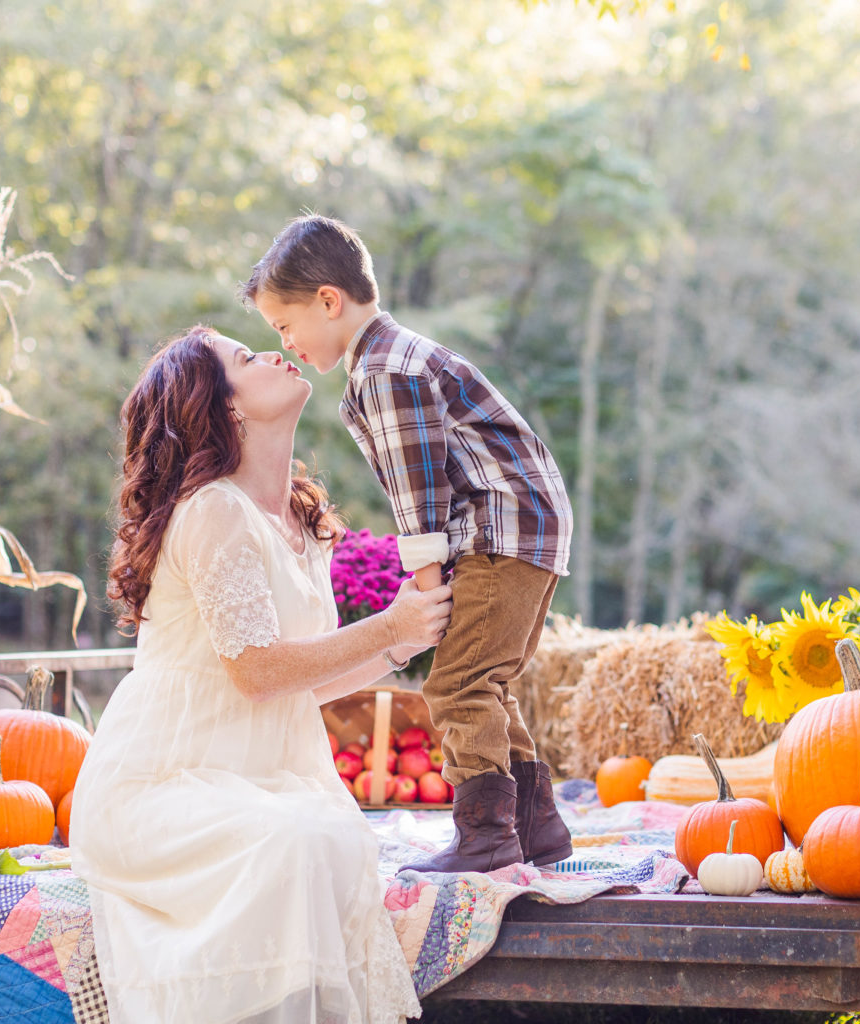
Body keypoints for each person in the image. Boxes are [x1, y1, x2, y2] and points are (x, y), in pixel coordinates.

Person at [72, 325, 449, 1024]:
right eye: (246, 358)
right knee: (299, 844)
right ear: (224, 408)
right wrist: (390, 625)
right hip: (163, 786)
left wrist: (401, 646)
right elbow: (256, 671)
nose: (276, 354)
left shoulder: (299, 519)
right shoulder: (213, 510)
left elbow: (296, 684)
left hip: (261, 776)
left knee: (334, 838)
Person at [241, 215, 574, 874]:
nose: (286, 342)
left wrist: (425, 587)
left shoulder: (386, 370)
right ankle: (536, 828)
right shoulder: (394, 357)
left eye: (285, 326)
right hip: (520, 525)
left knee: (456, 687)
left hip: (496, 528)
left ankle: (486, 839)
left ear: (328, 301)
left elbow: (418, 498)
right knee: (486, 680)